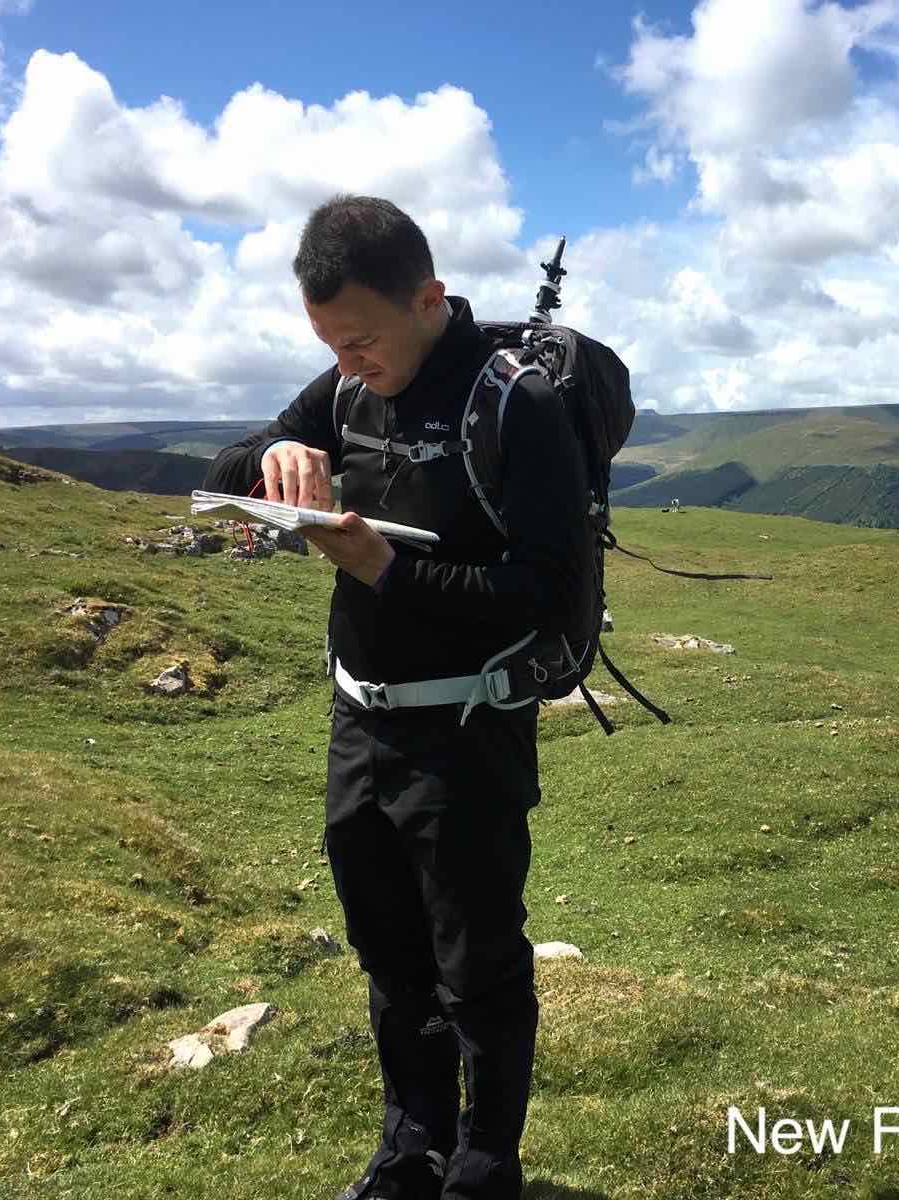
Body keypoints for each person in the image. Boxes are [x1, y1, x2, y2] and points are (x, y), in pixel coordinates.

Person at [202, 195, 589, 1200]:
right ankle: (408, 1147)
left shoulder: (517, 404)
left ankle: (482, 1168)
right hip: (357, 722)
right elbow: (220, 474)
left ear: (429, 299)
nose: (346, 363)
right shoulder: (342, 386)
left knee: (478, 962)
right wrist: (270, 458)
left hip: (465, 728)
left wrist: (384, 570)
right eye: (327, 343)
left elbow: (545, 589)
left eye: (361, 339)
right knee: (387, 952)